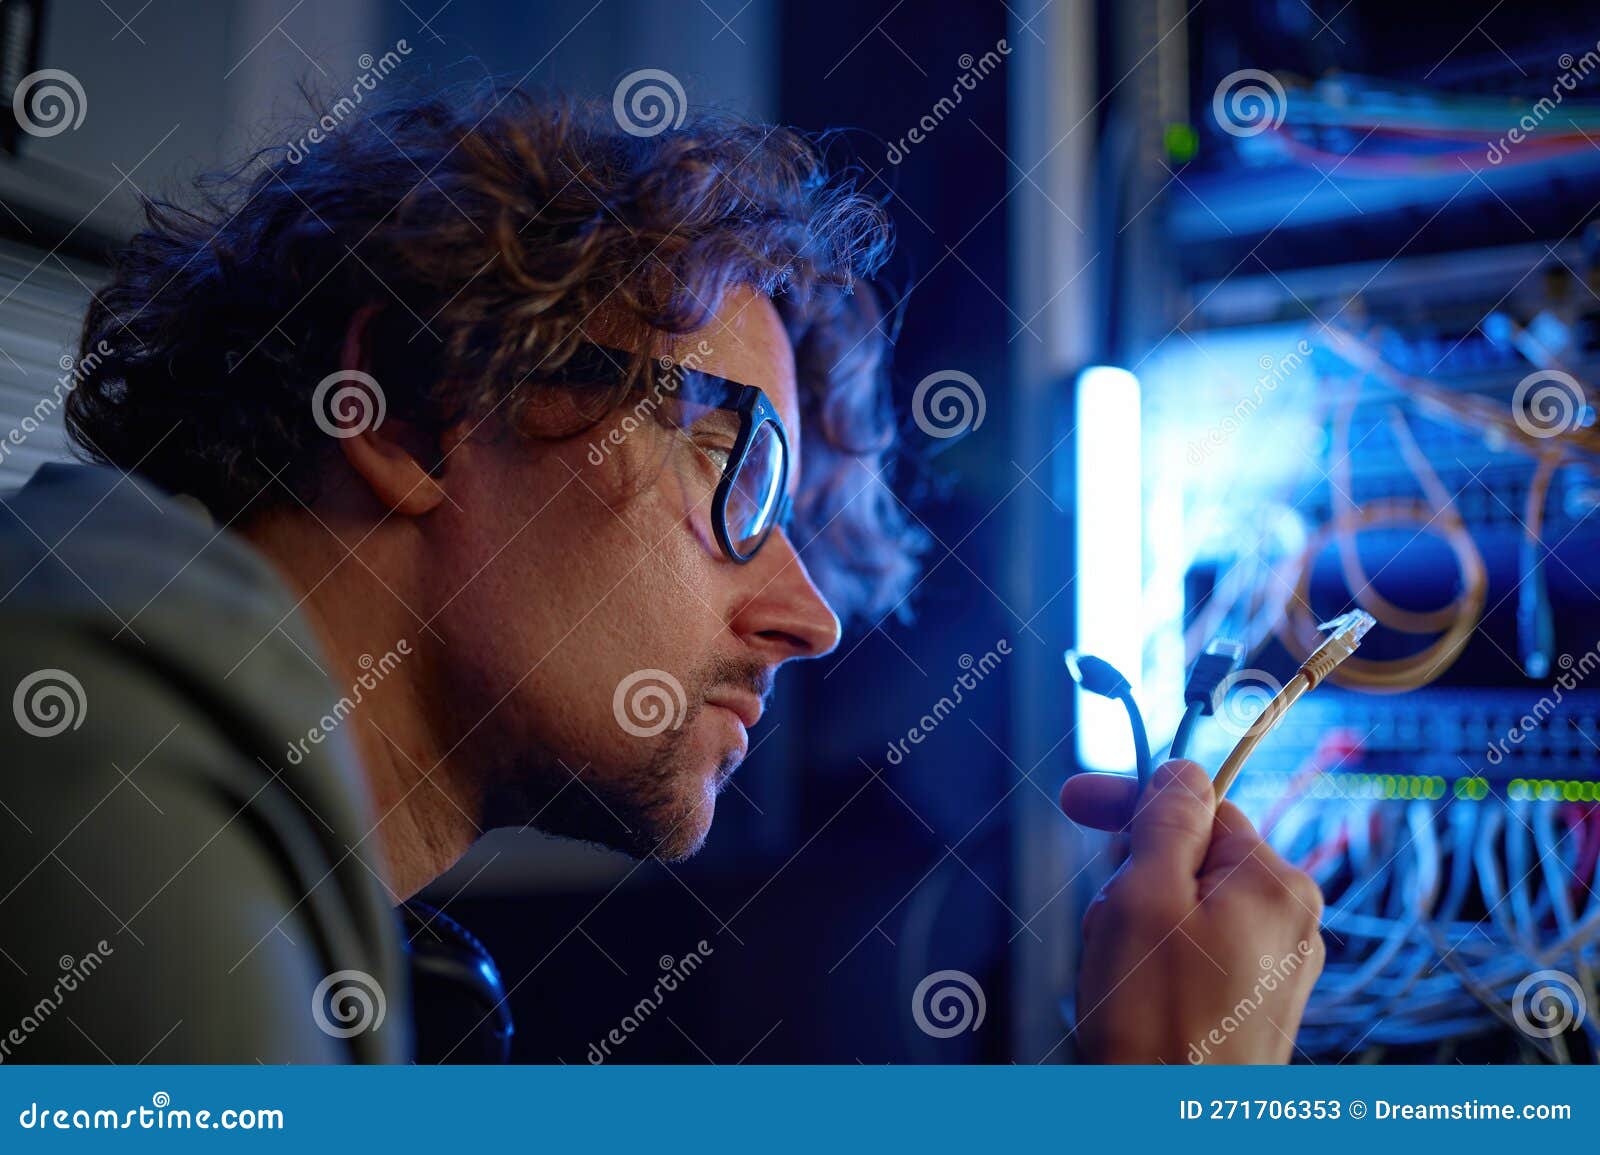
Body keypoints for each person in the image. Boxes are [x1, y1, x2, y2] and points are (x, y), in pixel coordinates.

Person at [0, 84, 1320, 1064]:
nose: (808, 622)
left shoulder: (351, 954)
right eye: (738, 472)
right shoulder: (97, 696)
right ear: (408, 405)